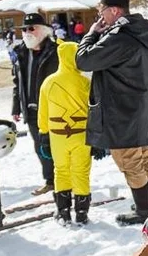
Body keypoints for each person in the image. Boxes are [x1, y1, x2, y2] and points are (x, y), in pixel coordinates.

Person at [76, 0, 148, 226]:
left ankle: (145, 211)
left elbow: (83, 60)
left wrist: (91, 35)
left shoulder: (119, 37)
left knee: (130, 162)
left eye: (100, 11)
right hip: (142, 107)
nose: (99, 17)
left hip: (122, 111)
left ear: (114, 10)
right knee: (144, 156)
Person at [38, 41, 93, 225]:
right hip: (81, 133)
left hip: (57, 135)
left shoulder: (49, 82)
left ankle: (63, 212)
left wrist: (43, 133)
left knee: (60, 170)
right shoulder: (85, 81)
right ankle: (82, 213)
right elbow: (94, 109)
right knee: (81, 172)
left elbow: (43, 111)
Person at [11, 12, 60, 196]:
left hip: (53, 109)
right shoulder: (21, 52)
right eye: (24, 29)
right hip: (31, 110)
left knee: (56, 147)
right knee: (40, 147)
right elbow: (17, 83)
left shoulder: (56, 51)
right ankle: (50, 181)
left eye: (31, 28)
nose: (27, 32)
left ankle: (64, 181)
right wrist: (16, 106)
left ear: (44, 30)